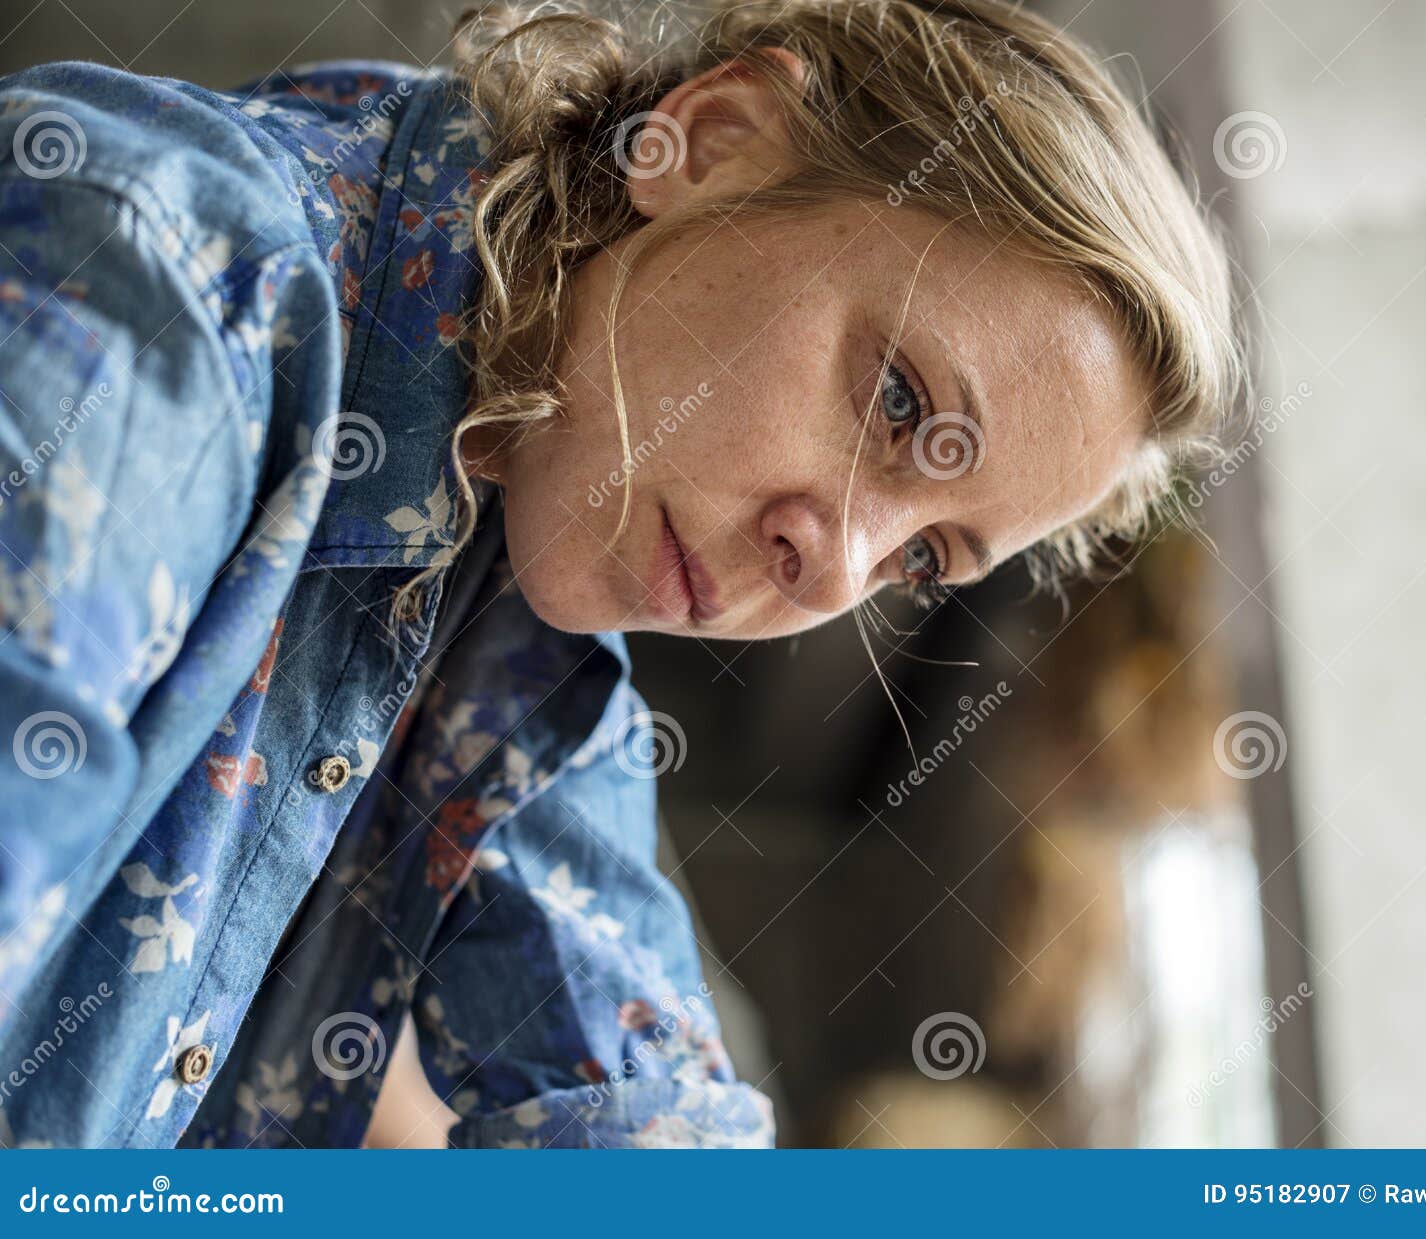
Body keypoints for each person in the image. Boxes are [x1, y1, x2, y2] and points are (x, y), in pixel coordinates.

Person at [0, 0, 1243, 1148]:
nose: (832, 574)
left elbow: (649, 1133)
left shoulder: (518, 588)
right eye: (896, 401)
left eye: (922, 556)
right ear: (715, 142)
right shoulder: (161, 285)